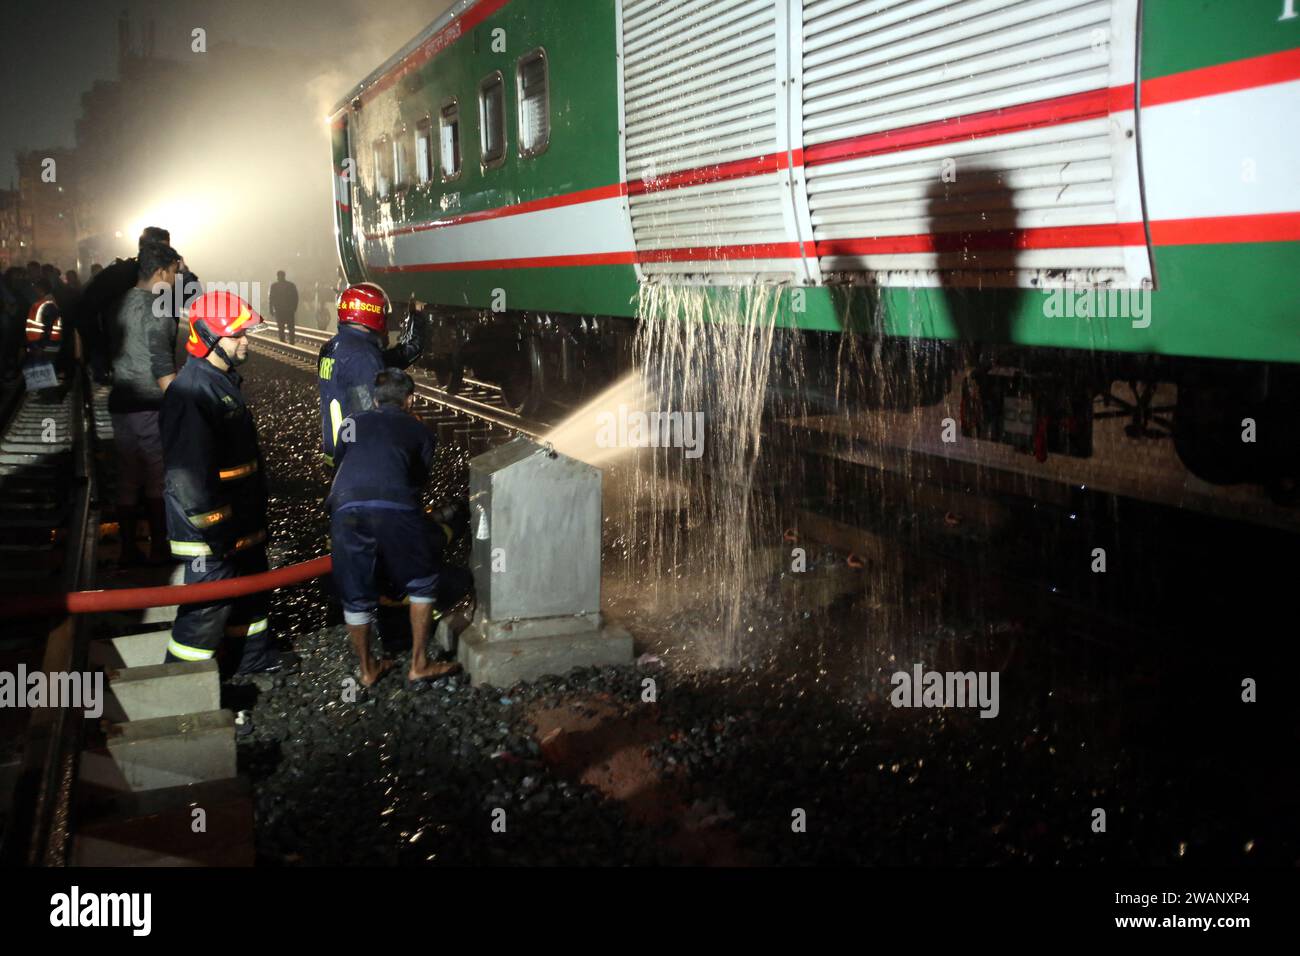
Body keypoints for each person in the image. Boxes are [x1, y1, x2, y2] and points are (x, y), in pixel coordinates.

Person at [160, 290, 280, 674]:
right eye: (237, 334)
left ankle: (252, 661)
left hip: (238, 521)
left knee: (250, 593)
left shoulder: (218, 381)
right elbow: (187, 475)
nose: (246, 339)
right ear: (210, 336)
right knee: (207, 609)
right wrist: (217, 527)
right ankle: (177, 688)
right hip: (212, 531)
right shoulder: (193, 392)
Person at [328, 368, 470, 685]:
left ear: (375, 399)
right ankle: (419, 664)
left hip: (345, 506)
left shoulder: (352, 422)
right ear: (411, 399)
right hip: (394, 506)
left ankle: (367, 670)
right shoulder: (419, 430)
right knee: (421, 579)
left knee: (355, 592)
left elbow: (341, 461)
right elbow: (418, 480)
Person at [108, 241, 182, 565]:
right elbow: (162, 363)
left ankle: (127, 549)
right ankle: (160, 548)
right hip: (149, 404)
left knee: (126, 475)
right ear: (161, 271)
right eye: (174, 275)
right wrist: (182, 404)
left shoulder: (117, 302)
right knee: (156, 476)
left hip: (120, 402)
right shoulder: (159, 307)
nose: (175, 282)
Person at [317, 282, 428, 466]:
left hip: (337, 451)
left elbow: (399, 355)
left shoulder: (333, 347)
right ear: (375, 314)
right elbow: (368, 410)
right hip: (357, 455)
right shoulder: (362, 356)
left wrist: (415, 318)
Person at [269, 270, 298, 345]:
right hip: (289, 310)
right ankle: (292, 341)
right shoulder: (291, 285)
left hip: (279, 310)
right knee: (291, 327)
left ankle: (283, 341)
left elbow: (271, 298)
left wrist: (271, 309)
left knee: (281, 327)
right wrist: (294, 307)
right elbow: (296, 297)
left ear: (277, 276)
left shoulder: (274, 286)